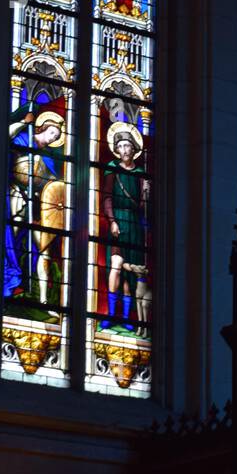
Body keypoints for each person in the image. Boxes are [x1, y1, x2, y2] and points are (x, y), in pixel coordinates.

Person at [4, 100, 67, 316]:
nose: (52, 138)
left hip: (36, 201)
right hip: (15, 193)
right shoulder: (24, 137)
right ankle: (9, 278)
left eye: (55, 137)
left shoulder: (48, 157)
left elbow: (52, 183)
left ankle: (31, 289)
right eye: (51, 133)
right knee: (11, 233)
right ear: (42, 127)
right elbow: (7, 137)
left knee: (34, 243)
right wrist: (23, 122)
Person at [101, 121, 150, 333]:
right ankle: (111, 313)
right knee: (116, 266)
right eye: (120, 146)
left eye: (127, 146)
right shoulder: (112, 169)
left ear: (134, 148)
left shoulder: (140, 172)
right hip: (119, 220)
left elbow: (142, 207)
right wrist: (112, 220)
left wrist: (147, 193)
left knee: (131, 273)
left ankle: (127, 316)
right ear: (116, 149)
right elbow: (107, 197)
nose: (124, 150)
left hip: (134, 224)